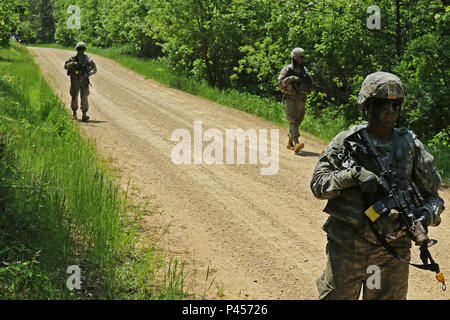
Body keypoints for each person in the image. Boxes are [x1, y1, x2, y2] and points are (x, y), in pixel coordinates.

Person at [310, 71, 445, 300]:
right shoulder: (347, 141)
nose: (390, 110)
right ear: (367, 105)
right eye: (382, 103)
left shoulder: (410, 145)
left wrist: (423, 216)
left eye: (395, 104)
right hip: (347, 246)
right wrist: (351, 175)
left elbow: (434, 198)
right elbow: (318, 184)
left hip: (391, 252)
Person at [277, 47, 314, 153]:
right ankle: (297, 143)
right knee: (293, 120)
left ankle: (290, 143)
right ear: (295, 58)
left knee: (298, 120)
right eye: (300, 57)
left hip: (301, 98)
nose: (302, 59)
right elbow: (280, 82)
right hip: (291, 97)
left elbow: (309, 81)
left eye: (303, 57)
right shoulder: (287, 69)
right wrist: (291, 78)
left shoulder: (304, 70)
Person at [64, 42, 97, 121]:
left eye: (82, 49)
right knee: (74, 96)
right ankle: (74, 113)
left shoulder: (88, 58)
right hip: (74, 79)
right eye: (79, 49)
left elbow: (94, 69)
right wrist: (72, 64)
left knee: (84, 96)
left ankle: (84, 114)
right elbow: (65, 66)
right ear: (77, 49)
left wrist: (88, 74)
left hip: (84, 80)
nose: (81, 51)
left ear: (84, 50)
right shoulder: (72, 58)